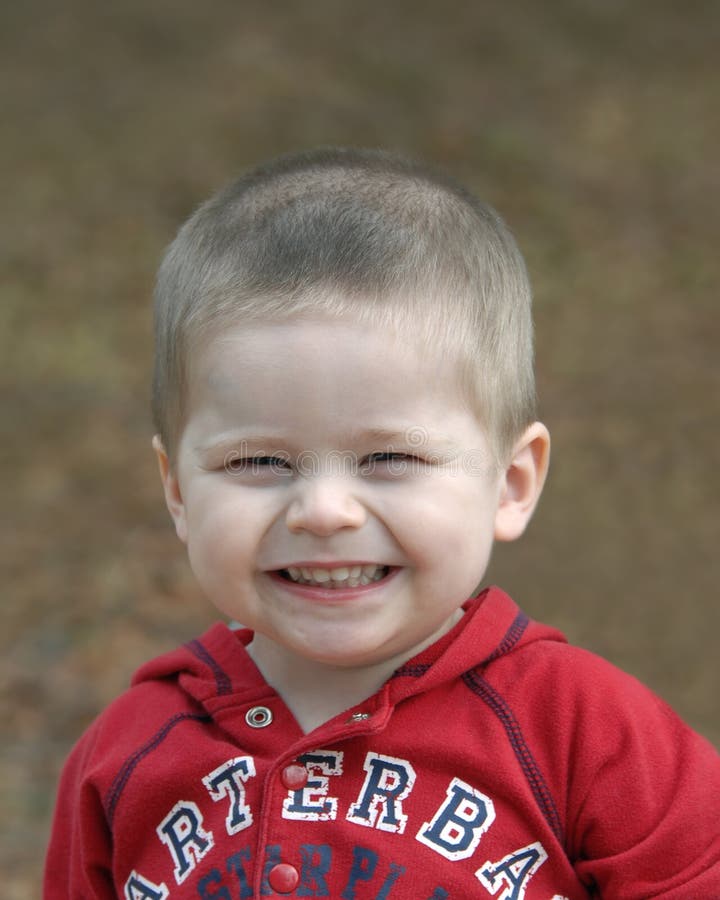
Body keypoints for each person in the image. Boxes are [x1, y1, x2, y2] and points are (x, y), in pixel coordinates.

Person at [44, 148, 719, 899]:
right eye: (259, 462)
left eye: (389, 457)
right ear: (176, 490)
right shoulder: (126, 756)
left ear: (511, 482)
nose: (325, 511)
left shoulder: (590, 735)